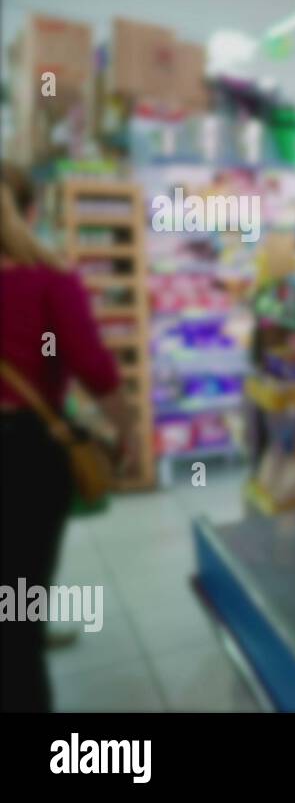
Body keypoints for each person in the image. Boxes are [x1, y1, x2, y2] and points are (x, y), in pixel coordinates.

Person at [0, 164, 134, 712]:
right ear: (33, 212)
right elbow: (90, 365)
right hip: (23, 458)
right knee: (17, 626)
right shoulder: (48, 280)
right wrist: (126, 429)